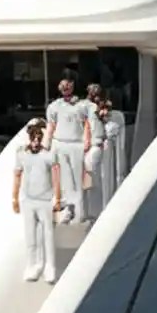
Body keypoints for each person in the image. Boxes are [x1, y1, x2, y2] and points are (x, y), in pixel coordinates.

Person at [14, 123, 61, 283]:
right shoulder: (21, 154)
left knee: (48, 234)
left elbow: (55, 177)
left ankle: (50, 267)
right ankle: (32, 265)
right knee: (30, 235)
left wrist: (57, 197)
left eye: (38, 139)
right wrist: (14, 197)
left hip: (45, 200)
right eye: (33, 139)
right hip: (28, 199)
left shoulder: (48, 155)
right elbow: (17, 175)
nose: (35, 142)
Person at [46, 79, 91, 224]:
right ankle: (68, 209)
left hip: (76, 144)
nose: (65, 88)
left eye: (68, 85)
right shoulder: (54, 106)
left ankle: (80, 211)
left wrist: (87, 140)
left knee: (77, 178)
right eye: (63, 86)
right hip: (60, 143)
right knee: (65, 179)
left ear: (72, 86)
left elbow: (86, 124)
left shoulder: (81, 105)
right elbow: (51, 126)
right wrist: (46, 144)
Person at [82, 84, 108, 219]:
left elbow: (88, 125)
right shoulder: (94, 106)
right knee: (93, 180)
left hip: (93, 145)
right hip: (94, 145)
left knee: (91, 180)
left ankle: (92, 211)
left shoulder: (95, 107)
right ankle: (92, 210)